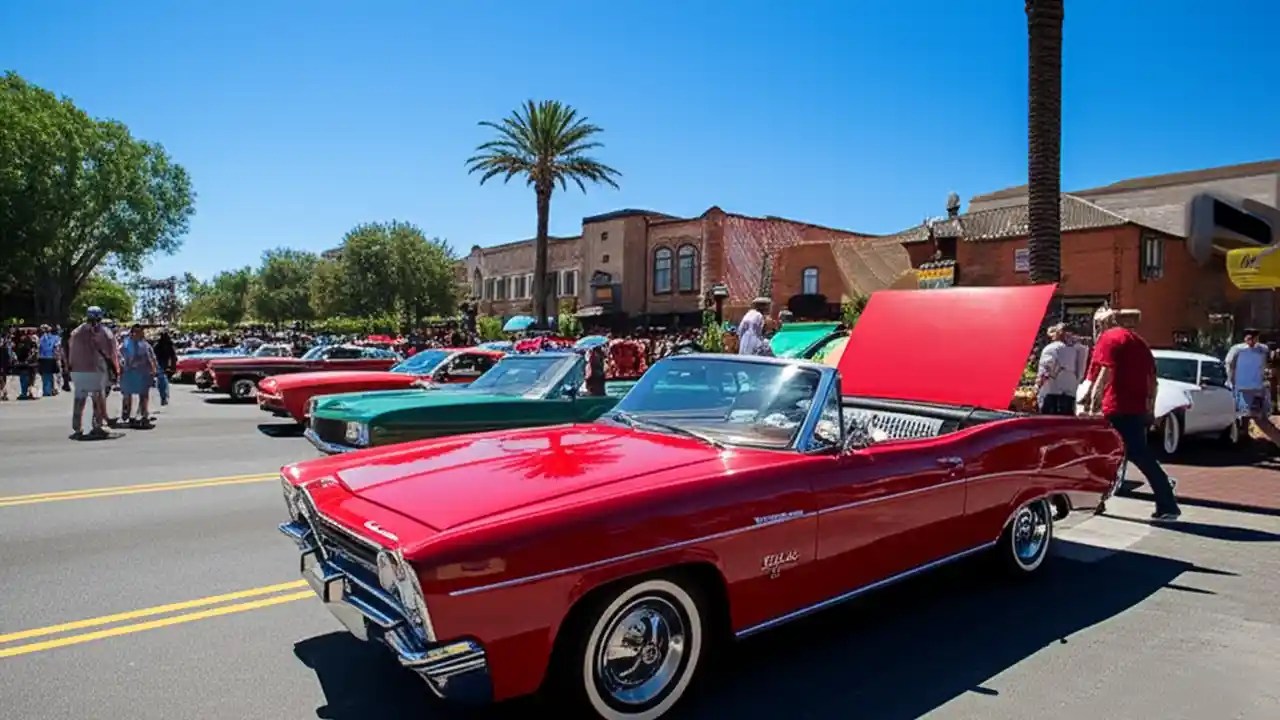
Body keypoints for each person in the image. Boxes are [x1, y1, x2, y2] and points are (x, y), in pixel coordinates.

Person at [1084, 307, 1180, 521]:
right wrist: (1151, 410)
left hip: (1116, 407)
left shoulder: (1108, 339)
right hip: (1137, 408)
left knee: (1105, 454)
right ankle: (1164, 498)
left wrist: (1091, 404)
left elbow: (1104, 374)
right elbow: (1153, 382)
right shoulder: (1139, 343)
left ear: (1101, 324)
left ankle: (1166, 499)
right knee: (1133, 454)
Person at [67, 306, 119, 439]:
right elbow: (112, 353)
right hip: (95, 369)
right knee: (97, 399)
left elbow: (70, 351)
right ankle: (97, 425)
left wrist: (70, 366)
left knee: (79, 399)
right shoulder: (104, 332)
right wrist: (116, 370)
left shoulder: (76, 332)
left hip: (78, 370)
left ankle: (77, 427)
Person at [1225, 328, 1280, 448]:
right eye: (1249, 338)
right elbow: (1229, 364)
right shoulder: (1237, 349)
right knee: (1244, 416)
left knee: (1257, 417)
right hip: (1242, 388)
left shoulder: (1262, 349)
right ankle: (1244, 439)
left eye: (1254, 338)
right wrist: (1231, 381)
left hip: (1257, 389)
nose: (1252, 340)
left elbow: (1271, 359)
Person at [1036, 323, 1083, 415]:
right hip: (1070, 391)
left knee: (1049, 420)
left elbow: (1046, 369)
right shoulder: (1076, 350)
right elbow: (1080, 372)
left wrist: (1038, 385)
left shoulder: (1051, 348)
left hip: (1051, 390)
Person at [118, 325, 157, 427]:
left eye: (139, 332)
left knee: (143, 395)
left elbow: (151, 359)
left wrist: (153, 371)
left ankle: (144, 415)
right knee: (127, 395)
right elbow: (119, 357)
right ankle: (126, 415)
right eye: (134, 332)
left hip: (142, 373)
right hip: (128, 372)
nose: (136, 334)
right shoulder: (125, 345)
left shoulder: (145, 345)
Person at [153, 329, 177, 406]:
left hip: (164, 364)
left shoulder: (164, 345)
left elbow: (173, 356)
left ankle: (164, 396)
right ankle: (164, 396)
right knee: (162, 380)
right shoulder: (163, 345)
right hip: (162, 364)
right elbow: (173, 357)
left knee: (162, 380)